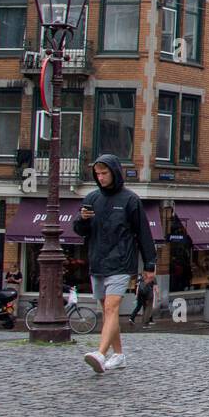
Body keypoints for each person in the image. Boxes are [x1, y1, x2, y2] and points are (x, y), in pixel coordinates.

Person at [72, 155, 157, 373]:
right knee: (107, 311)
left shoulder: (131, 200)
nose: (100, 178)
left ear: (115, 173)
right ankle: (119, 355)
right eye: (97, 174)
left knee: (111, 307)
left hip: (121, 262)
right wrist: (81, 219)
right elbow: (81, 232)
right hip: (97, 261)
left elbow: (143, 234)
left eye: (104, 173)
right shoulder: (91, 198)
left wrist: (149, 264)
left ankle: (100, 353)